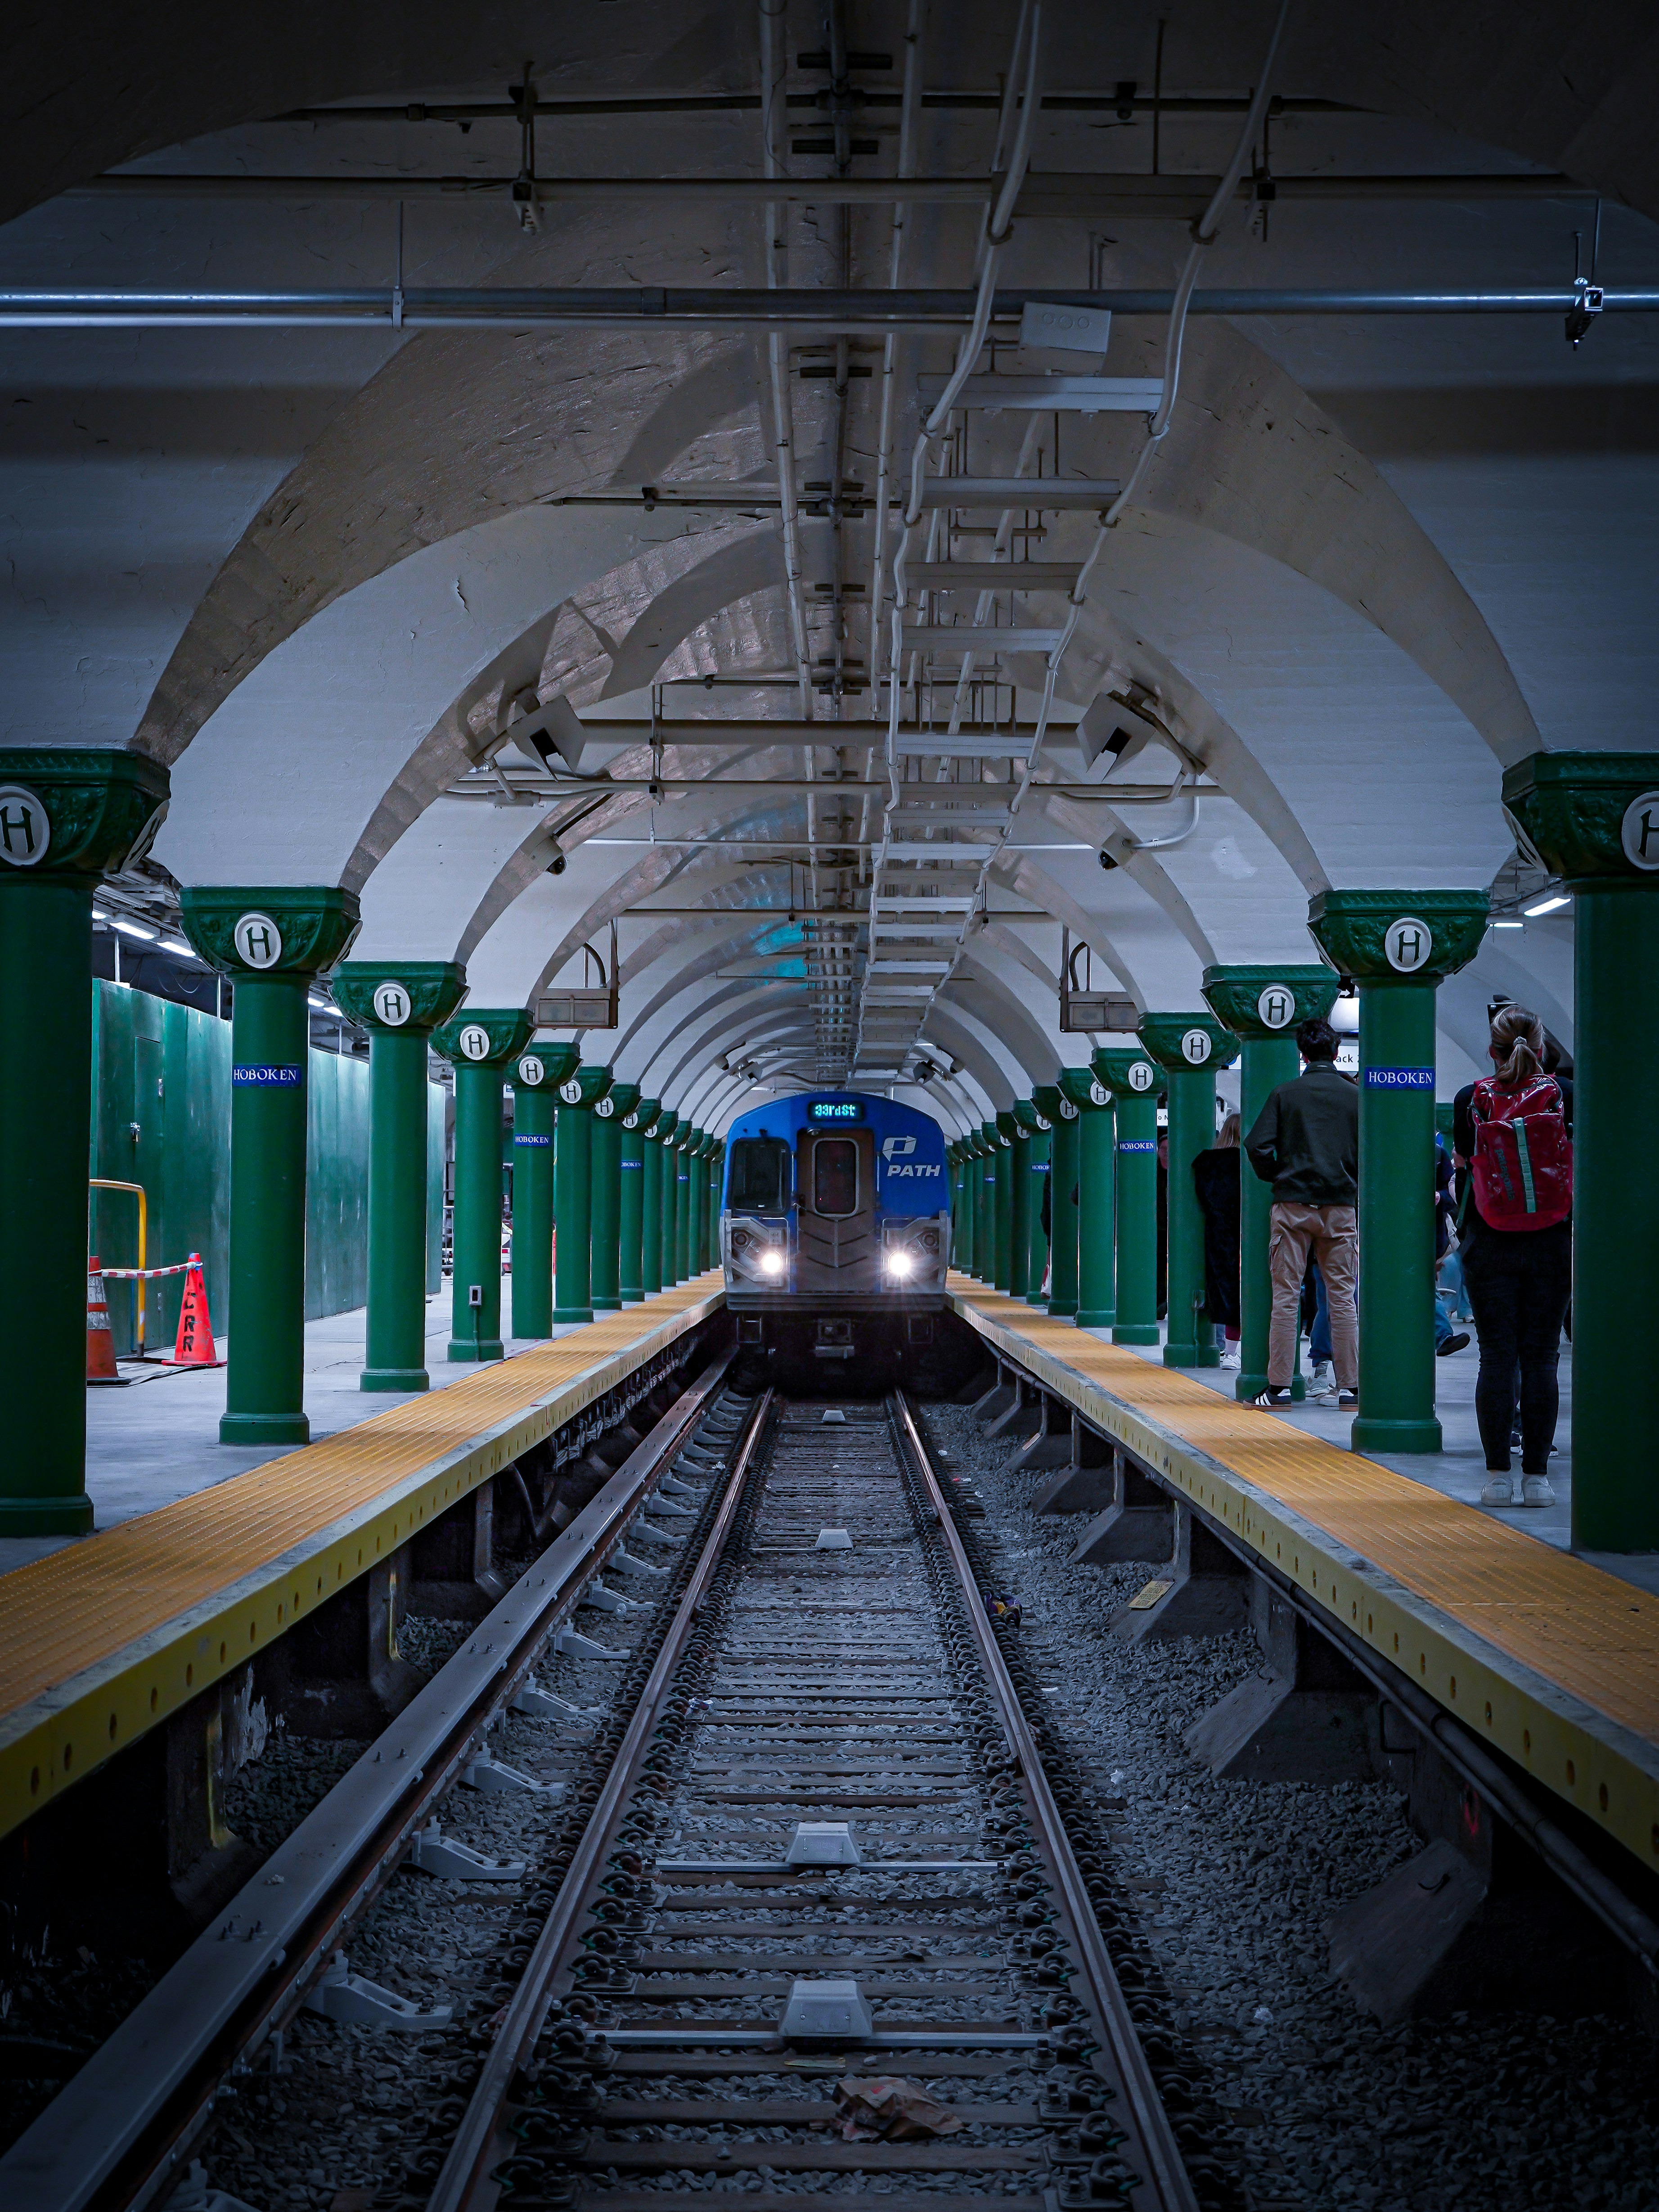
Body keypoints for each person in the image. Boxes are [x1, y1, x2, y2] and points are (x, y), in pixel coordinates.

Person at [1452, 1005, 1573, 1508]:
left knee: (1497, 1356)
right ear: (1542, 1048)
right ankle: (1539, 1480)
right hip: (1551, 1240)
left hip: (1490, 1241)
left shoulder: (1470, 1099)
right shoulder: (1566, 1096)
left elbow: (1467, 1165)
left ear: (1492, 1050)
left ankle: (1498, 1477)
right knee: (1542, 1357)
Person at [1244, 1016, 1359, 1410]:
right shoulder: (1355, 1096)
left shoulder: (1285, 1093)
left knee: (1286, 1297)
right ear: (1337, 1051)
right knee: (1342, 1297)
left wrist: (1280, 1177)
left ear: (1302, 1054)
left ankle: (1277, 1390)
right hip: (1341, 1207)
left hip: (1292, 1206)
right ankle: (1349, 1389)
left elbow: (1256, 1145)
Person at [1192, 1111, 1242, 1367]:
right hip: (1246, 1230)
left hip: (1216, 1230)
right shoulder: (1246, 1162)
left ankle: (1223, 1347)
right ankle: (1235, 1351)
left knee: (1221, 1286)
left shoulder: (1205, 1162)